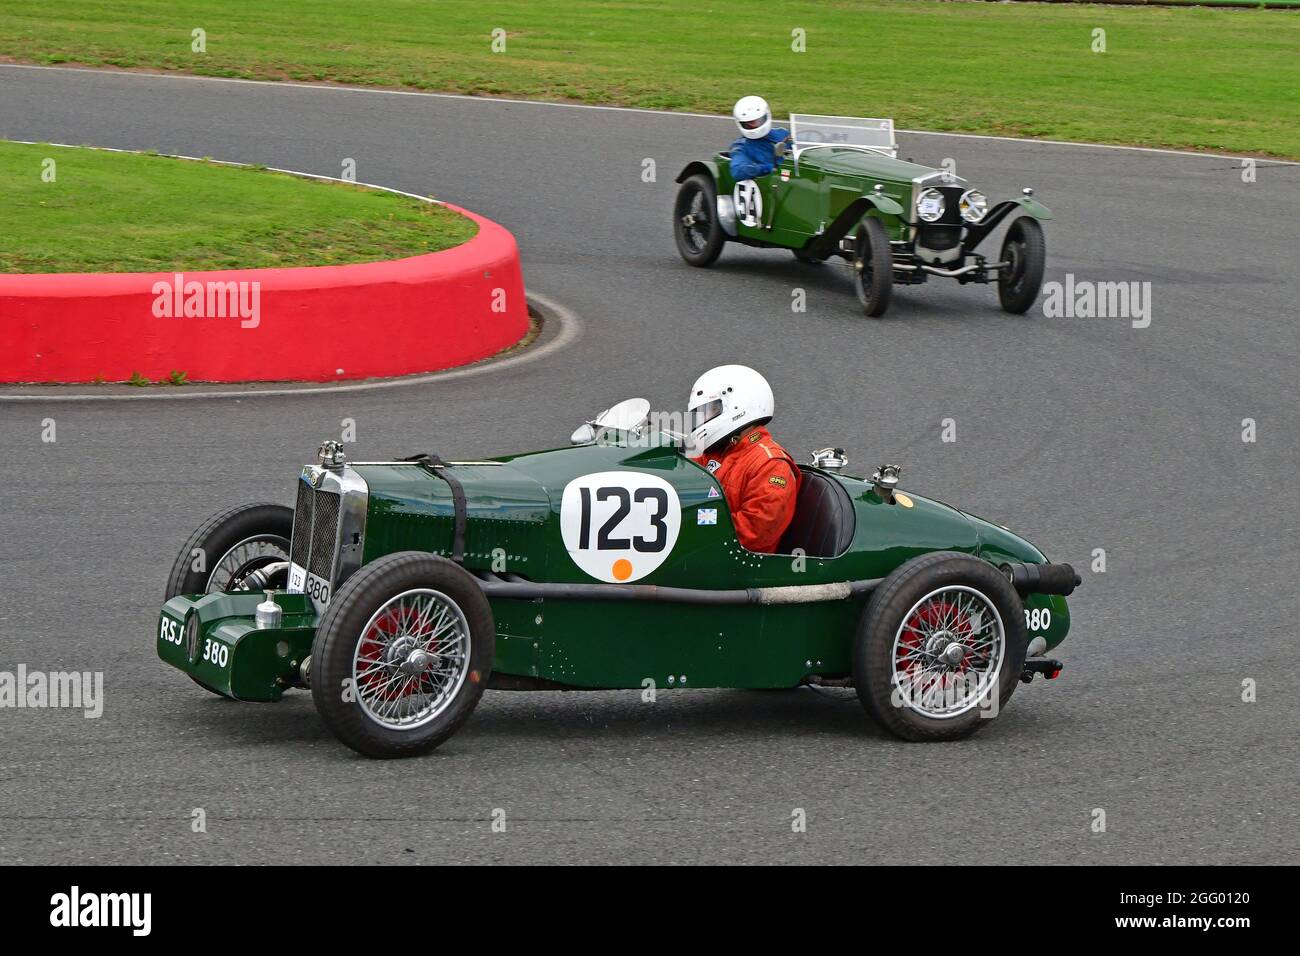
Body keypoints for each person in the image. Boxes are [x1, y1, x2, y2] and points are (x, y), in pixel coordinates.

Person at [686, 365, 801, 554]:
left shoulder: (771, 465)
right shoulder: (714, 451)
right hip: (705, 552)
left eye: (709, 411)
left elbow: (755, 532)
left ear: (739, 405)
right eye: (701, 413)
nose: (703, 419)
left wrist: (692, 526)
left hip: (735, 566)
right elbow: (680, 475)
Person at [728, 95, 792, 181]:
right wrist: (767, 168)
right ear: (740, 124)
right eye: (748, 124)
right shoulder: (740, 146)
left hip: (793, 177)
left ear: (767, 116)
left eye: (757, 121)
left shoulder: (783, 133)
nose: (754, 126)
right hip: (770, 185)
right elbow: (738, 171)